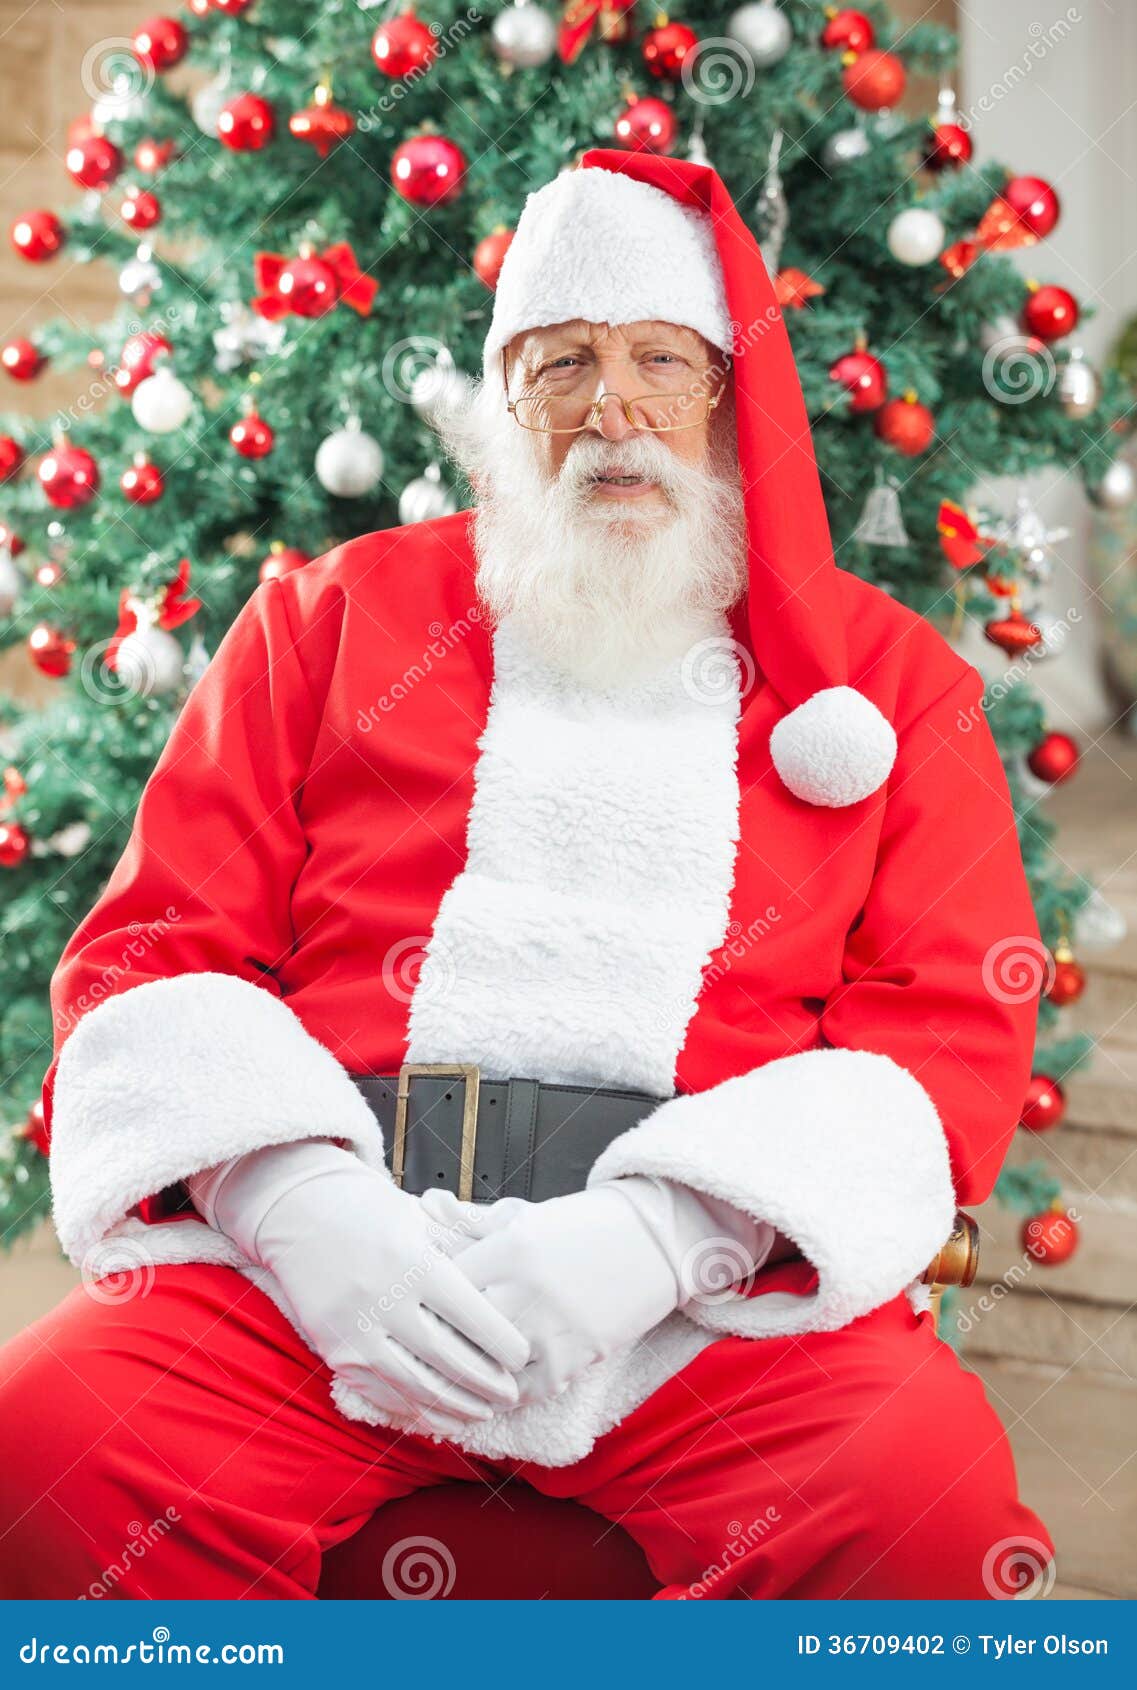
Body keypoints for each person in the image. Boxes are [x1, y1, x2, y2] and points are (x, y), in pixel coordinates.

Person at [0, 149, 1053, 1600]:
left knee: (914, 1500)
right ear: (504, 406)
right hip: (324, 1262)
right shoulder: (324, 623)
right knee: (49, 1444)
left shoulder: (884, 688)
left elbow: (942, 1035)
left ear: (727, 398)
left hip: (695, 1306)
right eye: (561, 364)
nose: (612, 409)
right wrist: (294, 1199)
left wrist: (668, 1232)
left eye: (659, 363)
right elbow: (157, 949)